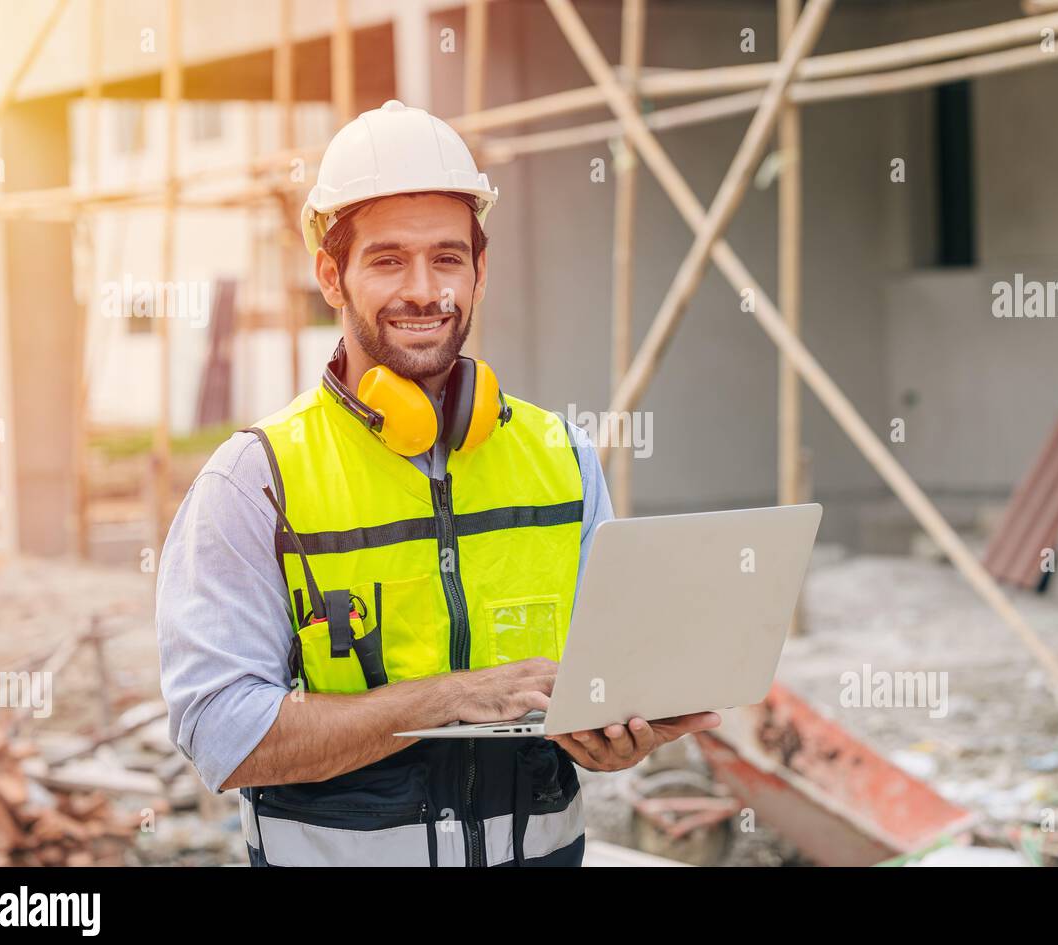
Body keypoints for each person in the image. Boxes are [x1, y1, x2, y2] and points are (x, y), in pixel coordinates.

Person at [156, 100, 719, 866]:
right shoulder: (255, 482)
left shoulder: (563, 457)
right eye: (388, 260)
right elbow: (223, 734)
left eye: (448, 258)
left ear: (480, 272)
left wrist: (614, 738)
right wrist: (451, 697)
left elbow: (598, 679)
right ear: (332, 275)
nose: (424, 290)